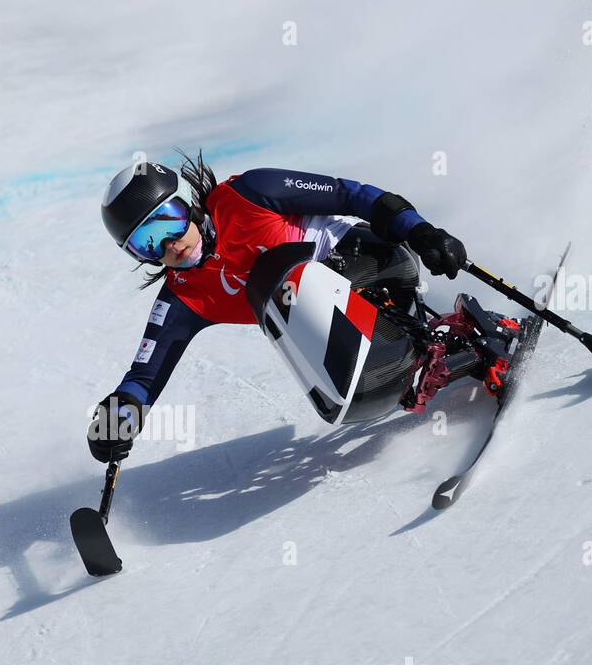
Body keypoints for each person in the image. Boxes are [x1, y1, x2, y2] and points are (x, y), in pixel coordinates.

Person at [87, 151, 468, 463]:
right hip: (337, 328)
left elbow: (351, 194)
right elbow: (143, 378)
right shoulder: (184, 295)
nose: (169, 244)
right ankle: (445, 360)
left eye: (168, 220)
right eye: (147, 243)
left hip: (372, 267)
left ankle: (422, 357)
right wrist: (116, 419)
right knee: (281, 300)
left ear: (187, 205)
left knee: (277, 280)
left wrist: (420, 231)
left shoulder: (247, 194)